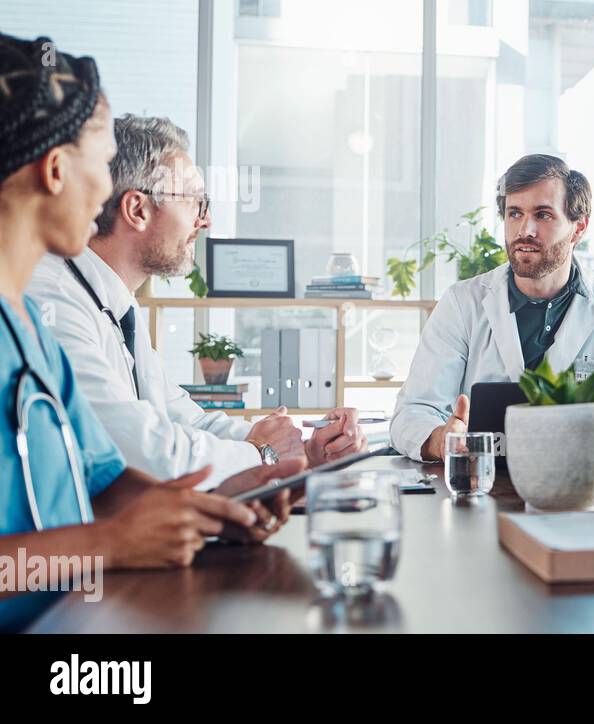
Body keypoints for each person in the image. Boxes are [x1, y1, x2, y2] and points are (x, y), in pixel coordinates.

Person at [0, 32, 300, 632]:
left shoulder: (28, 328)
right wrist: (109, 544)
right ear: (55, 170)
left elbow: (106, 482)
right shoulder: (43, 312)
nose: (108, 193)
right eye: (100, 165)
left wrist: (224, 507)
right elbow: (107, 528)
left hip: (74, 619)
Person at [27, 114, 366, 485]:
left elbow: (188, 421)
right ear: (137, 210)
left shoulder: (117, 305)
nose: (205, 222)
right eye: (196, 202)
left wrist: (301, 449)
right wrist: (262, 454)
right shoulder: (54, 300)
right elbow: (143, 454)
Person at [390, 154, 594, 467]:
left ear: (578, 228)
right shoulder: (461, 303)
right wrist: (441, 439)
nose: (525, 230)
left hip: (578, 484)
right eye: (515, 213)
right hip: (484, 486)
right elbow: (413, 411)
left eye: (543, 215)